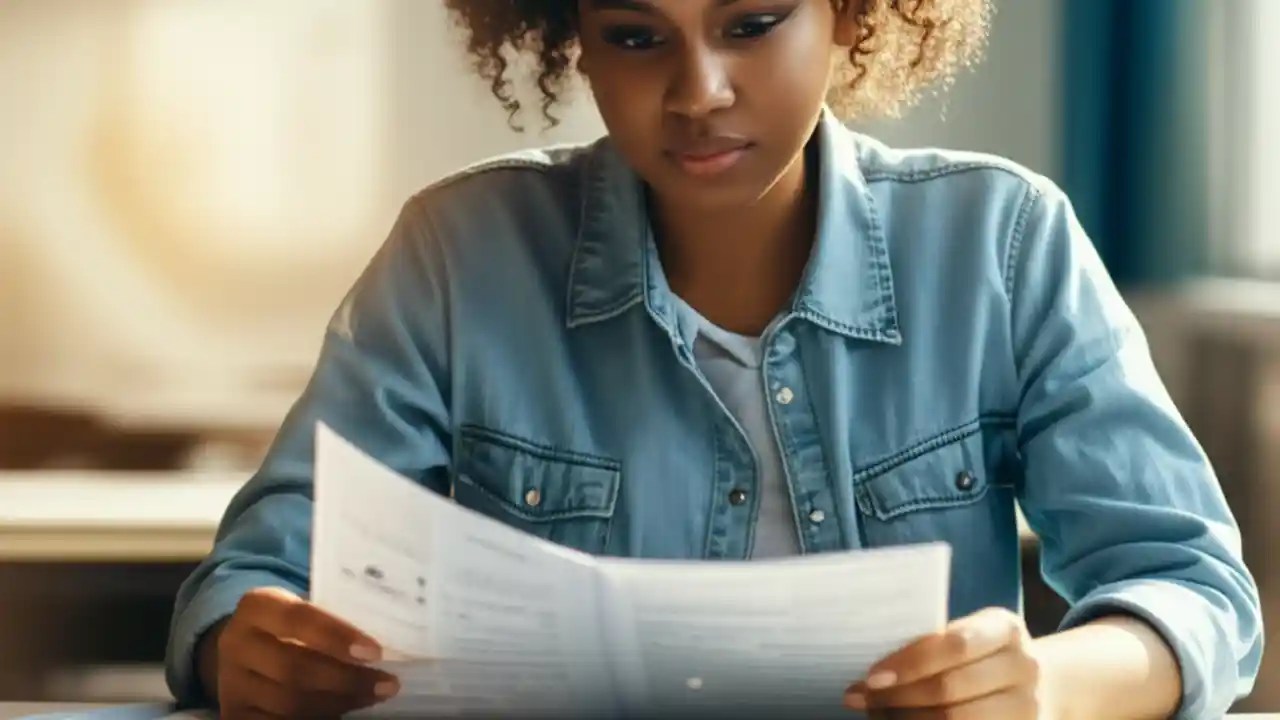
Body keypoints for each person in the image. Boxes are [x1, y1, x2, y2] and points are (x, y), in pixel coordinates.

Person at [164, 1, 1263, 718]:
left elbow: (1191, 590)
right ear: (567, 39)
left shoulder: (1000, 241)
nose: (697, 92)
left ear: (848, 19)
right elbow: (253, 577)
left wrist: (1048, 688)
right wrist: (242, 650)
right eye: (636, 36)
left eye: (749, 21)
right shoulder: (459, 254)